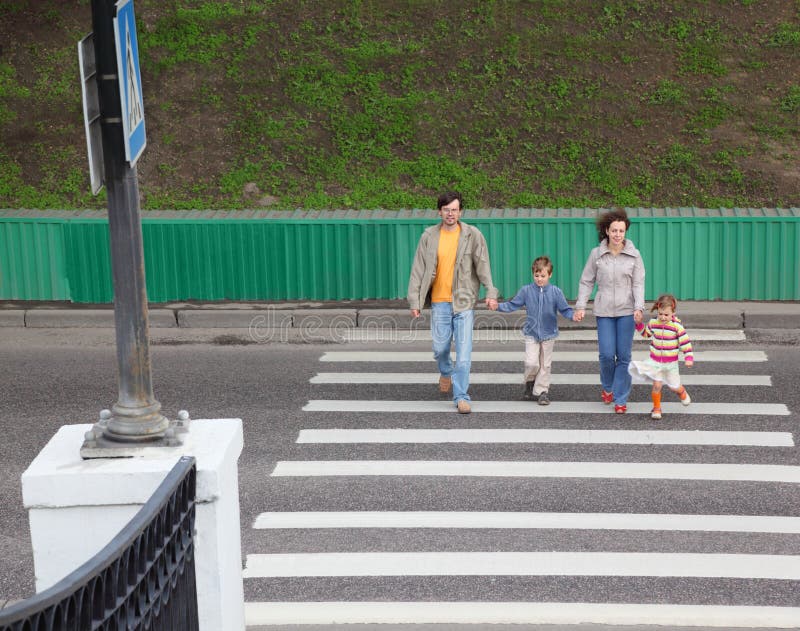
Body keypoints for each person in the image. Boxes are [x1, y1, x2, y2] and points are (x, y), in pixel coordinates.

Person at [407, 191, 499, 414]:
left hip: (463, 300)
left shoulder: (472, 235)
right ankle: (446, 371)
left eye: (454, 210)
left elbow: (483, 264)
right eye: (446, 210)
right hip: (439, 301)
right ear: (439, 211)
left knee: (464, 353)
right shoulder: (429, 236)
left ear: (460, 212)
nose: (450, 214)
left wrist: (491, 291)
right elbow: (418, 269)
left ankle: (461, 396)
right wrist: (414, 300)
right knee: (440, 349)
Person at [574, 209, 645, 414]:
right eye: (614, 230)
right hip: (604, 310)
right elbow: (586, 281)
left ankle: (621, 398)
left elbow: (638, 284)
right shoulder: (596, 254)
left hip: (626, 310)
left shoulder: (634, 255)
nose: (617, 235)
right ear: (607, 231)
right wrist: (580, 306)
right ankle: (607, 387)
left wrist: (639, 307)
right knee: (606, 355)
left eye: (621, 231)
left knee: (623, 356)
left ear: (625, 232)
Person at [489, 256, 576, 405]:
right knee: (531, 363)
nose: (539, 279)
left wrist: (573, 316)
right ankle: (530, 382)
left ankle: (542, 392)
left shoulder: (556, 292)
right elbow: (512, 305)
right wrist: (499, 306)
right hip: (531, 333)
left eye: (543, 276)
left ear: (550, 275)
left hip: (549, 334)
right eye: (537, 275)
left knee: (545, 364)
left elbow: (565, 309)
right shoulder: (526, 290)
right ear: (533, 274)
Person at [629, 294, 693, 420]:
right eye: (660, 314)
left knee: (674, 387)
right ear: (657, 311)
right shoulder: (654, 323)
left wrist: (688, 357)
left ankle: (682, 392)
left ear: (673, 313)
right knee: (657, 385)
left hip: (671, 364)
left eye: (666, 315)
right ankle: (657, 408)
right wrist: (639, 324)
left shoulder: (677, 327)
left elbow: (685, 343)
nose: (663, 317)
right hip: (655, 362)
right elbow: (646, 334)